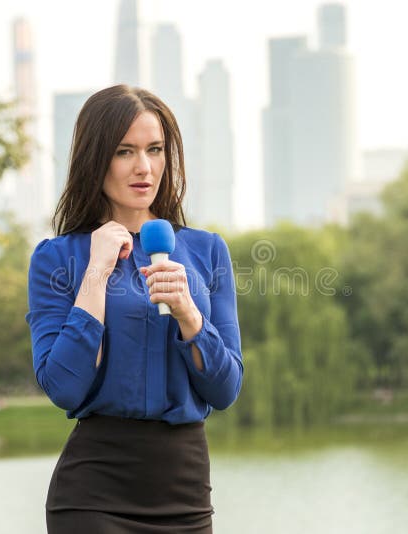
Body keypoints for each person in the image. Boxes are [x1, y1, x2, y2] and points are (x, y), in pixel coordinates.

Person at [25, 84, 244, 533]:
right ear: (96, 159)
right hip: (93, 493)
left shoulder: (205, 251)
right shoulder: (57, 258)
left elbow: (225, 390)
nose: (144, 167)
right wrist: (95, 274)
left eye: (155, 149)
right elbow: (64, 387)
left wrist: (189, 316)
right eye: (125, 151)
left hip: (184, 491)